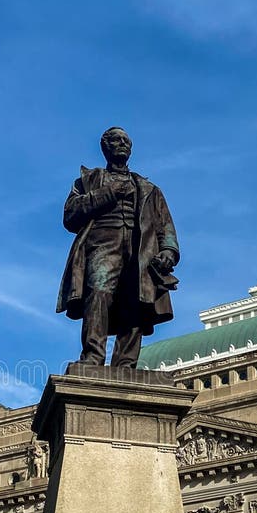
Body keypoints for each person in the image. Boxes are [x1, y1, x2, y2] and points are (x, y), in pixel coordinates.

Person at [56, 127, 180, 367]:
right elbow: (70, 215)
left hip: (141, 248)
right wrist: (108, 193)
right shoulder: (88, 181)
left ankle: (126, 363)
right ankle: (93, 356)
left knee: (137, 300)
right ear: (105, 146)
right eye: (116, 140)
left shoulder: (149, 189)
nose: (122, 143)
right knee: (98, 294)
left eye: (126, 140)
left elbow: (165, 225)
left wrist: (168, 251)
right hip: (102, 243)